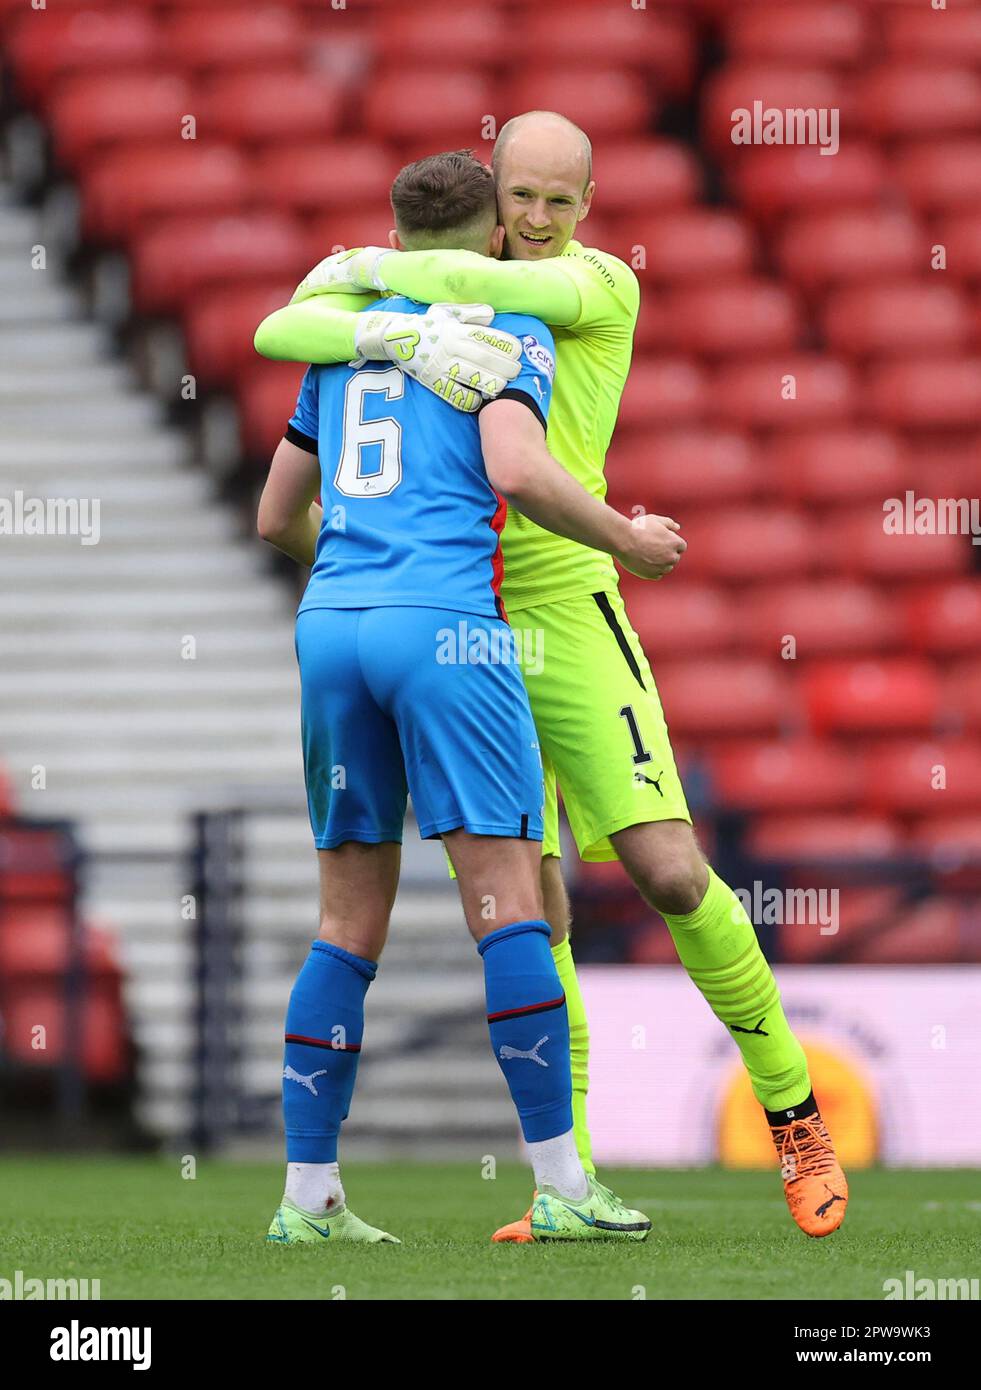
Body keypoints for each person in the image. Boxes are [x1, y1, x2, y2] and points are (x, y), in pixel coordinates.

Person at [255, 111, 848, 1242]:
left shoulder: (592, 289)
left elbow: (304, 332)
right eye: (517, 198)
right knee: (537, 904)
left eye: (556, 203)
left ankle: (794, 1112)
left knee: (671, 873)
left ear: (589, 207)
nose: (533, 223)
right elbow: (287, 334)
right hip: (463, 617)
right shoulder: (451, 294)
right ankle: (562, 1182)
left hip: (568, 608)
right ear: (495, 196)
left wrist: (364, 273)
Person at [257, 150, 677, 1246]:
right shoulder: (505, 335)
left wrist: (352, 579)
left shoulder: (341, 343)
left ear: (391, 240)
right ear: (496, 237)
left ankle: (308, 1201)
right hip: (446, 629)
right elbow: (516, 470)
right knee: (509, 904)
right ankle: (562, 1184)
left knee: (345, 922)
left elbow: (272, 518)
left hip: (331, 627)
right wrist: (629, 538)